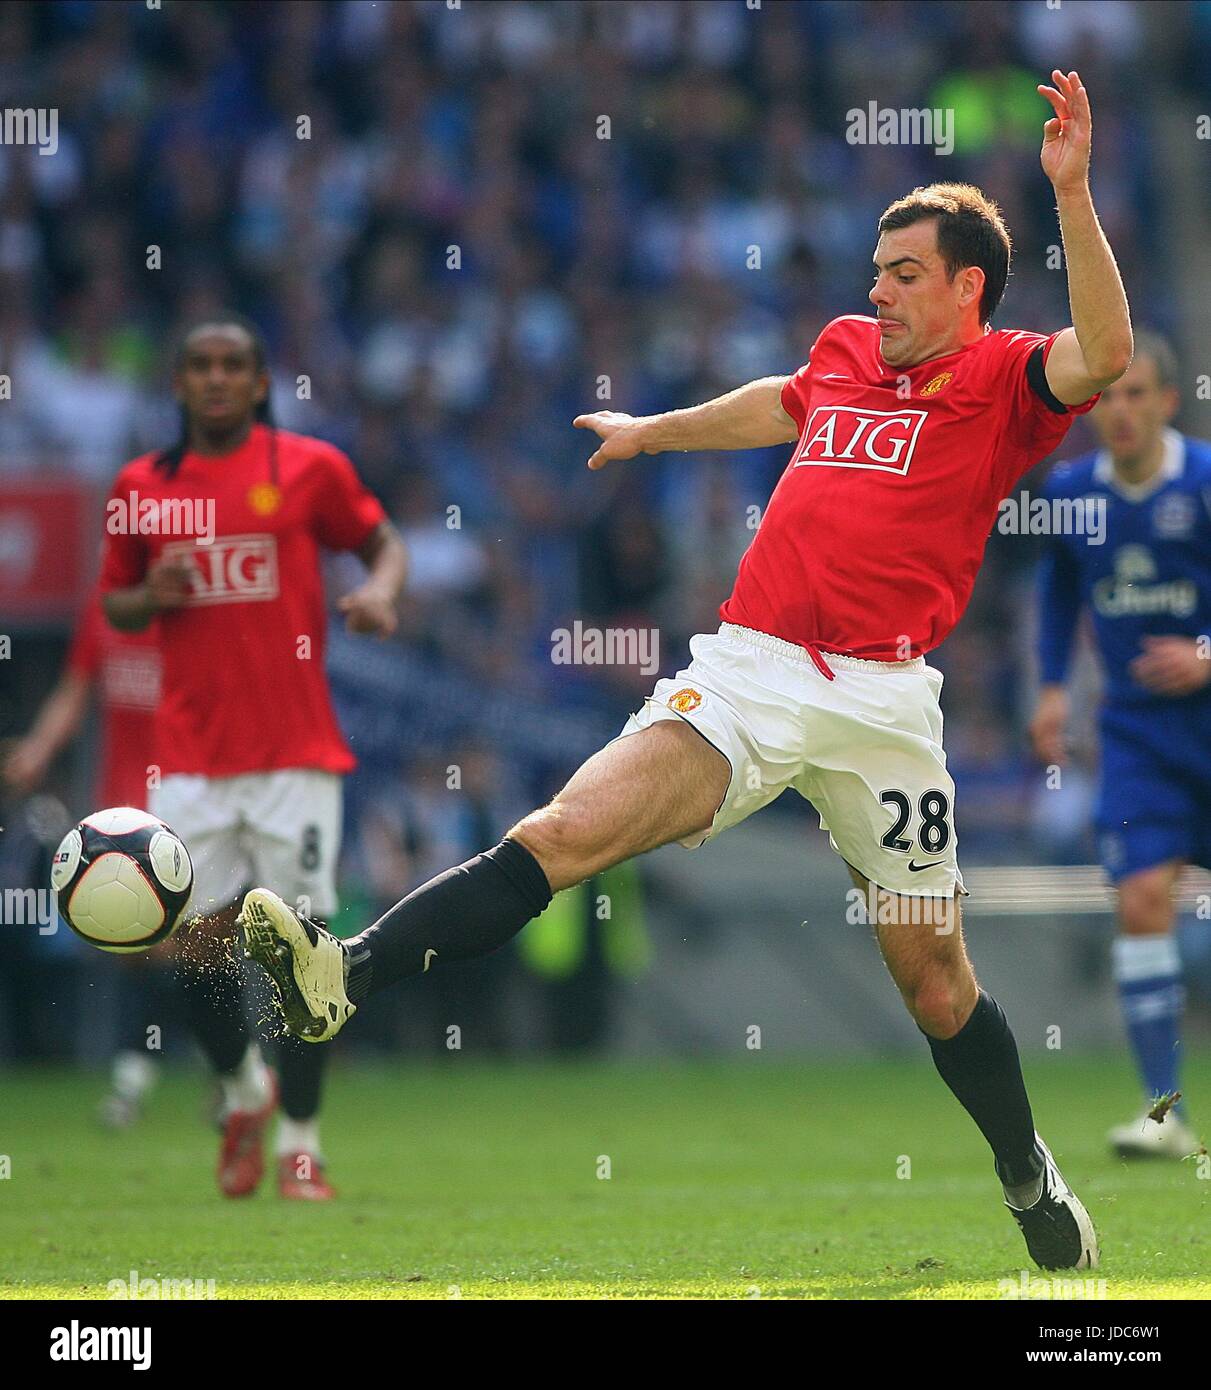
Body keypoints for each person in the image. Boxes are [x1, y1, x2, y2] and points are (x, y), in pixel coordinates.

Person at [242, 71, 1128, 1269]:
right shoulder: (845, 351)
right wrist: (651, 429)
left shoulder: (1003, 378)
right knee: (563, 831)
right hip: (753, 670)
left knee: (935, 985)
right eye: (873, 269)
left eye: (902, 272)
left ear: (968, 285)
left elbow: (1108, 349)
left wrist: (1068, 192)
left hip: (883, 709)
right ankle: (344, 973)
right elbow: (785, 400)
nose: (876, 289)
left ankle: (1025, 1172)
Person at [99, 314, 407, 1200]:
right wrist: (142, 596)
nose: (217, 379)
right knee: (188, 947)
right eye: (201, 365)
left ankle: (300, 1146)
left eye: (234, 366)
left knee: (303, 956)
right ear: (179, 383)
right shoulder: (141, 489)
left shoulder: (308, 468)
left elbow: (380, 542)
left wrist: (380, 593)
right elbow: (112, 604)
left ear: (262, 382)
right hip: (191, 762)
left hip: (295, 759)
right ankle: (242, 1094)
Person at [1030, 331, 1210, 1160]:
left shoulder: (1204, 482)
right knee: (1139, 900)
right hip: (1137, 735)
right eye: (1109, 395)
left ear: (1169, 402)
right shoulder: (1070, 493)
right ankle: (1162, 1113)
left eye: (1139, 394)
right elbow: (1057, 589)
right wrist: (1054, 687)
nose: (1122, 410)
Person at [2, 586, 169, 1126]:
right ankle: (140, 1074)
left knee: (191, 940)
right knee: (136, 944)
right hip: (119, 813)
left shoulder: (187, 611)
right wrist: (39, 748)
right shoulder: (103, 615)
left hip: (187, 800)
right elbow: (74, 691)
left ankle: (223, 1072)